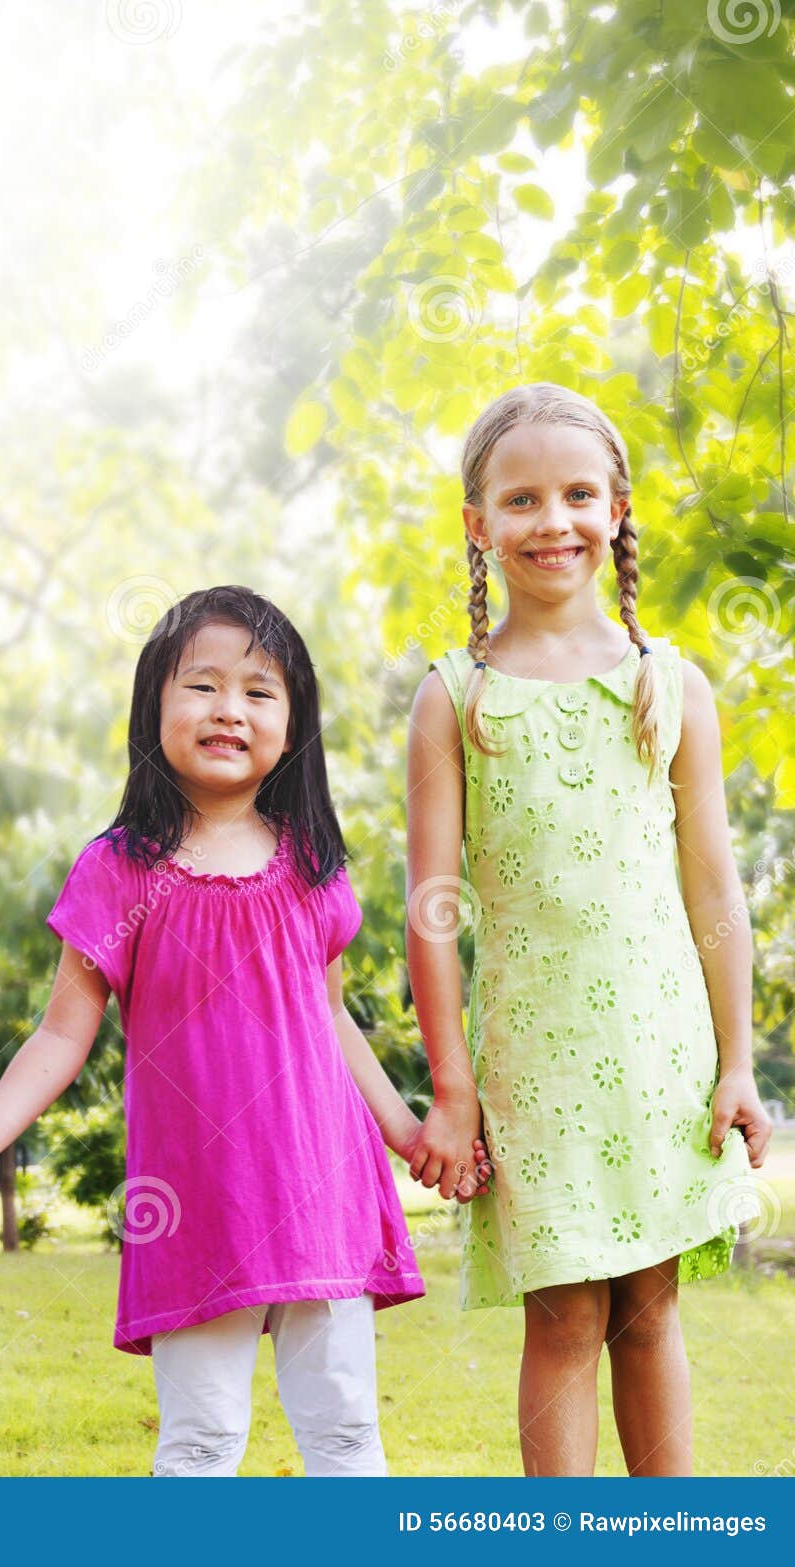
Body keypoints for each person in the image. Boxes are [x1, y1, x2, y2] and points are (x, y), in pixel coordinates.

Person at [0, 585, 475, 1476]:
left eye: (259, 691)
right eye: (201, 685)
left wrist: (408, 1131)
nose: (228, 708)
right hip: (196, 1206)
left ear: (293, 725)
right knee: (203, 1440)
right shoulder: (119, 869)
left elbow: (331, 1019)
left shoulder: (312, 864)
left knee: (345, 1435)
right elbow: (63, 1036)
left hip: (323, 1195)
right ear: (154, 708)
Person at [404, 382, 772, 1475]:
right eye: (520, 499)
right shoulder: (454, 697)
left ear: (616, 506)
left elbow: (712, 891)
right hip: (534, 1065)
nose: (551, 520)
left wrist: (738, 1061)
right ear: (478, 525)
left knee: (650, 1310)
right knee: (563, 1317)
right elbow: (433, 909)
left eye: (575, 494)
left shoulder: (671, 687)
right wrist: (453, 1086)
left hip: (661, 1059)